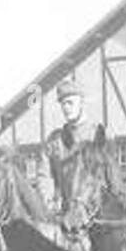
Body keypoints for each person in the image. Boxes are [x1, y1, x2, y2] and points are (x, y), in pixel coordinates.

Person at [43, 80, 89, 209]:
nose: (66, 108)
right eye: (63, 104)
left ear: (81, 103)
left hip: (93, 212)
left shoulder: (97, 135)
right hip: (64, 210)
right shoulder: (54, 140)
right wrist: (49, 199)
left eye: (70, 103)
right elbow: (45, 175)